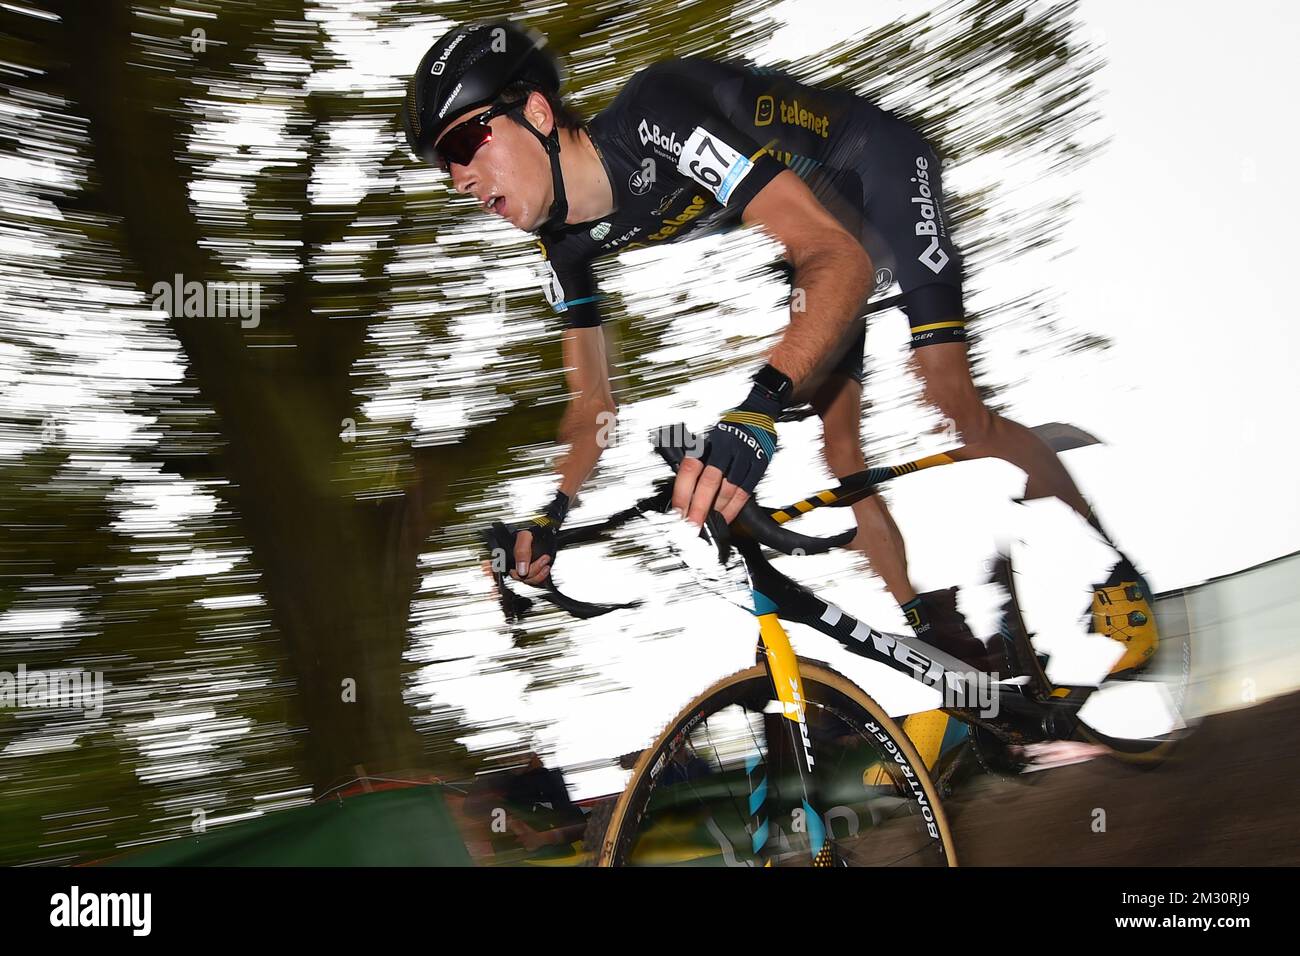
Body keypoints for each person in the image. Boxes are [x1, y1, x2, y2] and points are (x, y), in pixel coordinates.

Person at [401, 20, 1157, 677]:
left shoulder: (654, 116)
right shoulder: (562, 246)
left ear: (536, 111)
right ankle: (940, 642)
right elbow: (592, 404)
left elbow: (838, 256)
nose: (460, 177)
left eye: (466, 141)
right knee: (840, 448)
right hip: (817, 226)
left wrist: (756, 409)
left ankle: (1114, 571)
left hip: (874, 172)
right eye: (445, 165)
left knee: (953, 404)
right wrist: (551, 513)